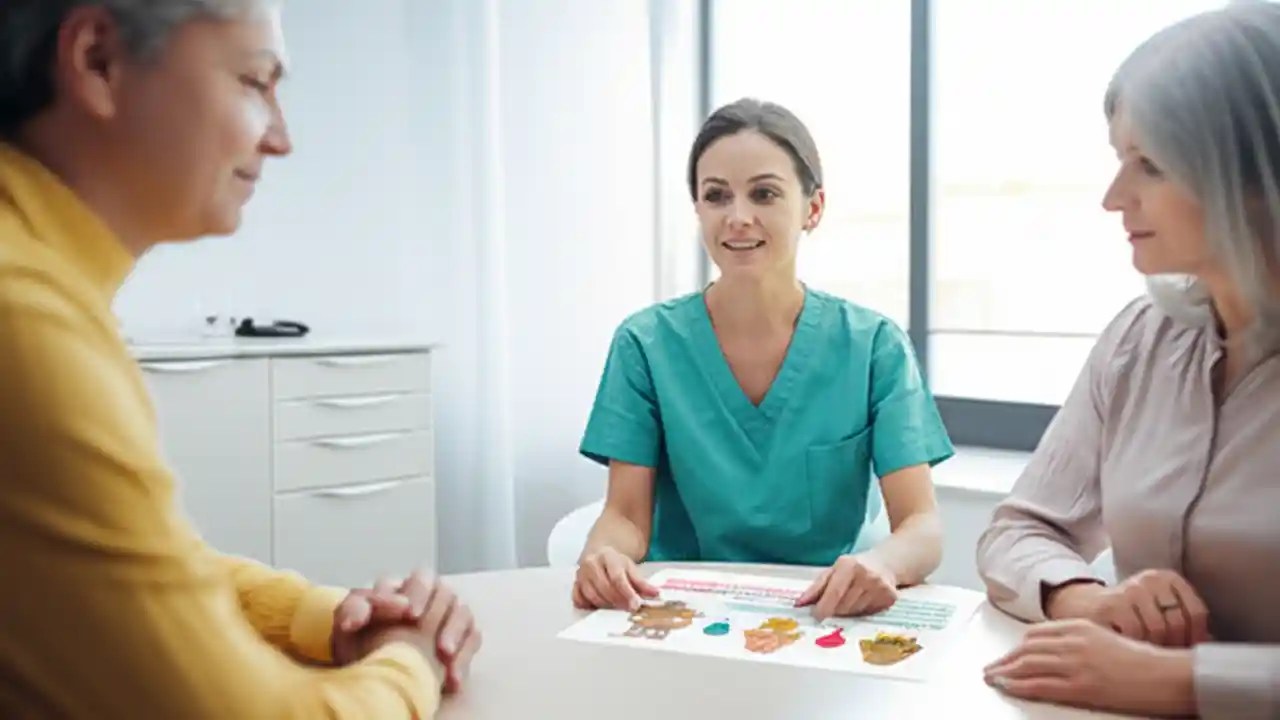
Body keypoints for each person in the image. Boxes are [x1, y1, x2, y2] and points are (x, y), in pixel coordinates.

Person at [0, 2, 478, 717]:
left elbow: (144, 565)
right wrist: (411, 659)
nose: (281, 137)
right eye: (256, 82)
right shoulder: (26, 322)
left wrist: (327, 614)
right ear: (99, 61)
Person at [977, 3, 1280, 718]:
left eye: (1150, 165)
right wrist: (1091, 601)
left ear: (1255, 173)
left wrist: (1177, 681)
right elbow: (1017, 531)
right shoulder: (1140, 340)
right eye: (1120, 160)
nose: (1115, 198)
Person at [571, 98, 955, 621]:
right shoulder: (645, 345)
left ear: (812, 209)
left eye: (764, 194)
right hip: (679, 616)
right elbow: (626, 517)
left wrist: (882, 563)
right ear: (699, 211)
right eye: (716, 196)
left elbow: (921, 525)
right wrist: (605, 556)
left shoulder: (874, 347)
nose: (737, 217)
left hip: (819, 612)